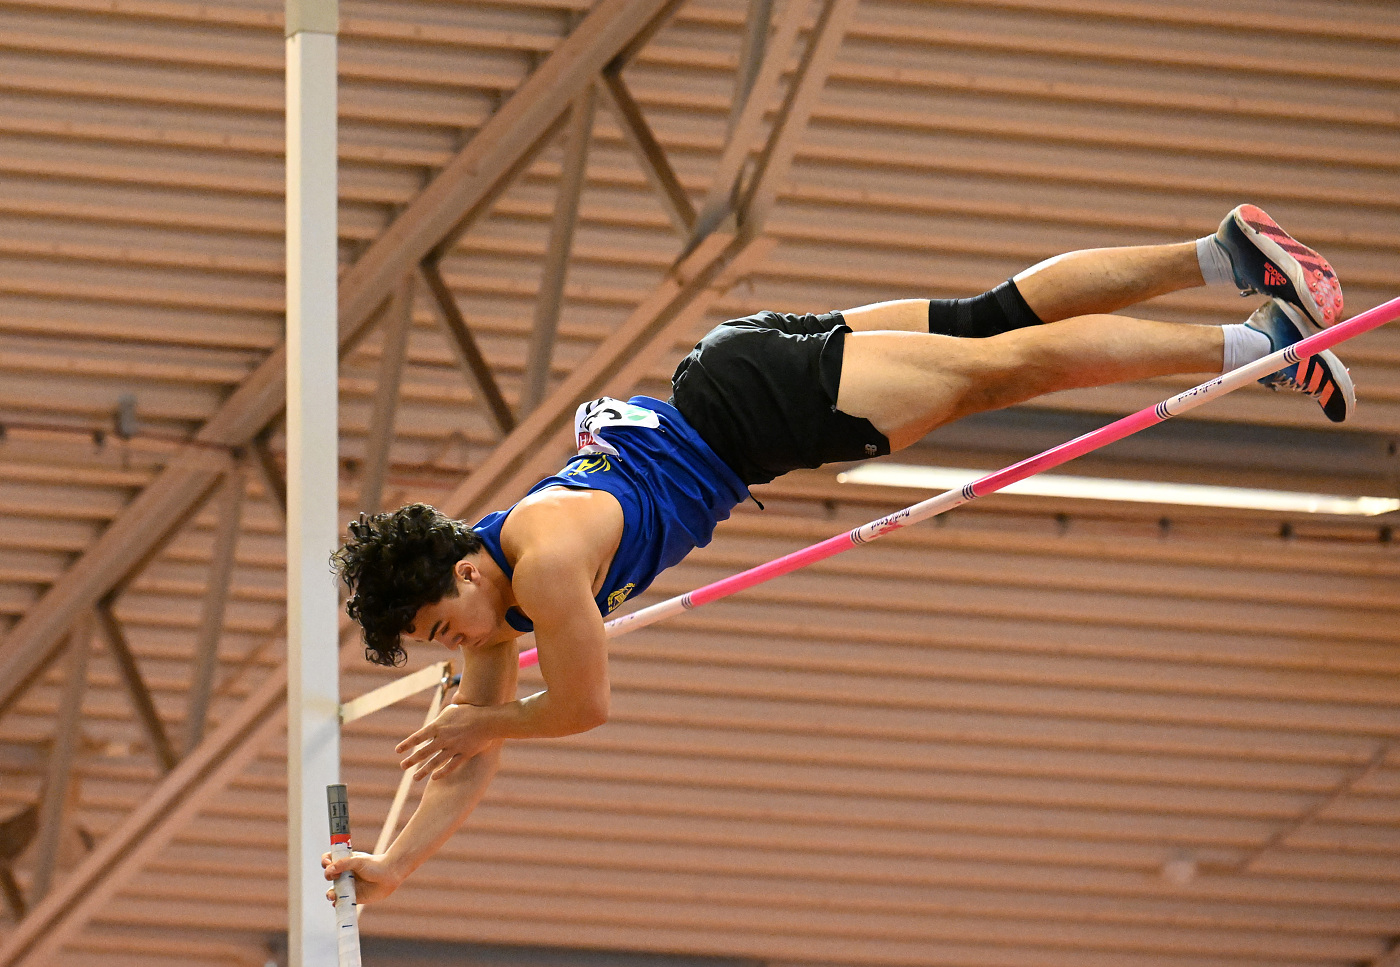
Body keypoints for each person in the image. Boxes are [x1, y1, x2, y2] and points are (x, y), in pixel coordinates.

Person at [322, 204, 1351, 904]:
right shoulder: (499, 597)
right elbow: (468, 752)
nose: (450, 645)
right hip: (736, 373)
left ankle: (1260, 344)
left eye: (435, 629)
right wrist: (397, 863)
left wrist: (478, 716)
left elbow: (579, 709)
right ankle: (1221, 257)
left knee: (1007, 368)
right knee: (990, 319)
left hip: (761, 414)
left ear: (460, 572)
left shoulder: (541, 568)